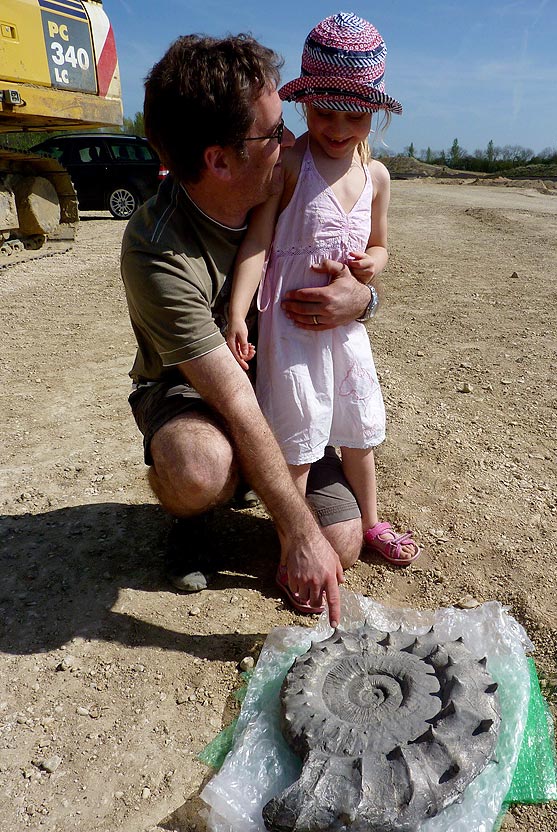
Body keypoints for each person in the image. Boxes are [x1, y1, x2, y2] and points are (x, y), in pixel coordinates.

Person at [120, 34, 380, 627]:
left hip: (288, 386)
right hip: (197, 392)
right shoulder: (157, 250)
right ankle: (195, 516)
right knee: (199, 466)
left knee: (342, 543)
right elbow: (234, 400)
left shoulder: (288, 187)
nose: (291, 142)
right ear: (219, 160)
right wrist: (298, 534)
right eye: (274, 133)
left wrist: (363, 300)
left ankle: (262, 482)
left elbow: (359, 264)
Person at [226, 11, 421, 589]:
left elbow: (381, 244)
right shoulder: (291, 164)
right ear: (304, 103)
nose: (337, 128)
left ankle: (372, 520)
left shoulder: (376, 176)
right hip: (289, 331)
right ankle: (292, 543)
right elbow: (259, 241)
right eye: (324, 112)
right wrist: (238, 312)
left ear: (375, 114)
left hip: (345, 334)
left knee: (357, 430)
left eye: (354, 115)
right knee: (298, 437)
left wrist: (373, 264)